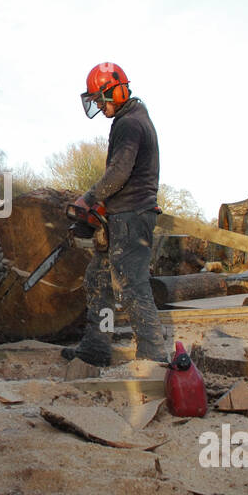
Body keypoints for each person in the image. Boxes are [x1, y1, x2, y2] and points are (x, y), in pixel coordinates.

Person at [61, 63, 170, 371]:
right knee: (98, 279)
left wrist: (91, 198)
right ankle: (97, 345)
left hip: (133, 216)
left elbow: (119, 171)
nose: (99, 106)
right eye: (95, 101)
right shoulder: (134, 118)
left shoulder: (129, 124)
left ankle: (153, 356)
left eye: (101, 99)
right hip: (123, 213)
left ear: (116, 91)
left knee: (131, 284)